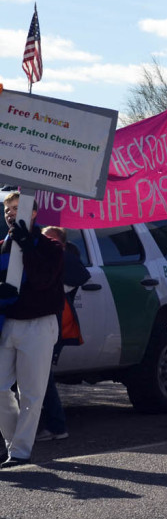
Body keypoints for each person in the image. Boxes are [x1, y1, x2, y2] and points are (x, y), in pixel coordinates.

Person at [0, 192, 64, 468]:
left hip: (39, 323)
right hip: (9, 323)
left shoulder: (50, 245)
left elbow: (43, 279)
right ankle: (14, 442)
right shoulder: (3, 245)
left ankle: (21, 452)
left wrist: (28, 246)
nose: (11, 213)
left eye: (17, 208)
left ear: (33, 213)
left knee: (32, 392)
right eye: (7, 210)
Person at [37, 226, 89, 443]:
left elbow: (80, 275)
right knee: (39, 377)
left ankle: (56, 426)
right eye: (43, 240)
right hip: (45, 325)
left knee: (42, 377)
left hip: (52, 327)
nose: (46, 244)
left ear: (63, 246)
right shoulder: (45, 261)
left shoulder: (66, 264)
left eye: (52, 241)